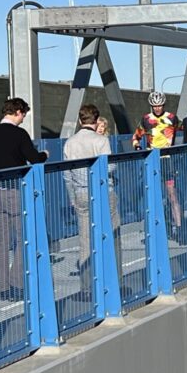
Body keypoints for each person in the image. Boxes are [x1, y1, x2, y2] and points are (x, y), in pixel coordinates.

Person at [0, 97, 48, 301]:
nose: (23, 120)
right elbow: (34, 158)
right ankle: (17, 284)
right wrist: (45, 154)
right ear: (18, 112)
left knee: (2, 240)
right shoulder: (19, 134)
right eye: (24, 115)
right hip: (14, 190)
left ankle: (3, 288)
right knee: (22, 238)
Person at [63, 104, 121, 287]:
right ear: (96, 122)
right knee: (113, 235)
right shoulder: (101, 141)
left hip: (81, 192)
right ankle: (115, 282)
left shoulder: (70, 142)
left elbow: (67, 175)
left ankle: (87, 286)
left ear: (80, 121)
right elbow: (110, 166)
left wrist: (72, 198)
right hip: (103, 191)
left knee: (85, 239)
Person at [131, 90, 183, 237]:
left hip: (167, 160)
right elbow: (135, 136)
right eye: (154, 106)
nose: (157, 108)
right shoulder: (146, 119)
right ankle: (154, 227)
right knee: (152, 194)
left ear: (163, 104)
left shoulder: (172, 118)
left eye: (160, 105)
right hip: (152, 160)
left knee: (172, 195)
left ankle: (178, 226)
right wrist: (137, 146)